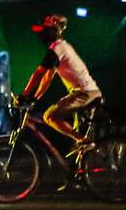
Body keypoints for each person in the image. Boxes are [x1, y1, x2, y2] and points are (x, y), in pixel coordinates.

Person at [18, 13, 101, 142]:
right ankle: (84, 146)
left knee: (50, 116)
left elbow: (39, 73)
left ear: (53, 30)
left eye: (44, 31)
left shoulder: (57, 48)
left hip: (84, 94)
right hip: (87, 92)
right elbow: (47, 78)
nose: (40, 35)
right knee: (78, 145)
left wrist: (24, 95)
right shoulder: (62, 47)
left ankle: (84, 141)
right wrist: (34, 98)